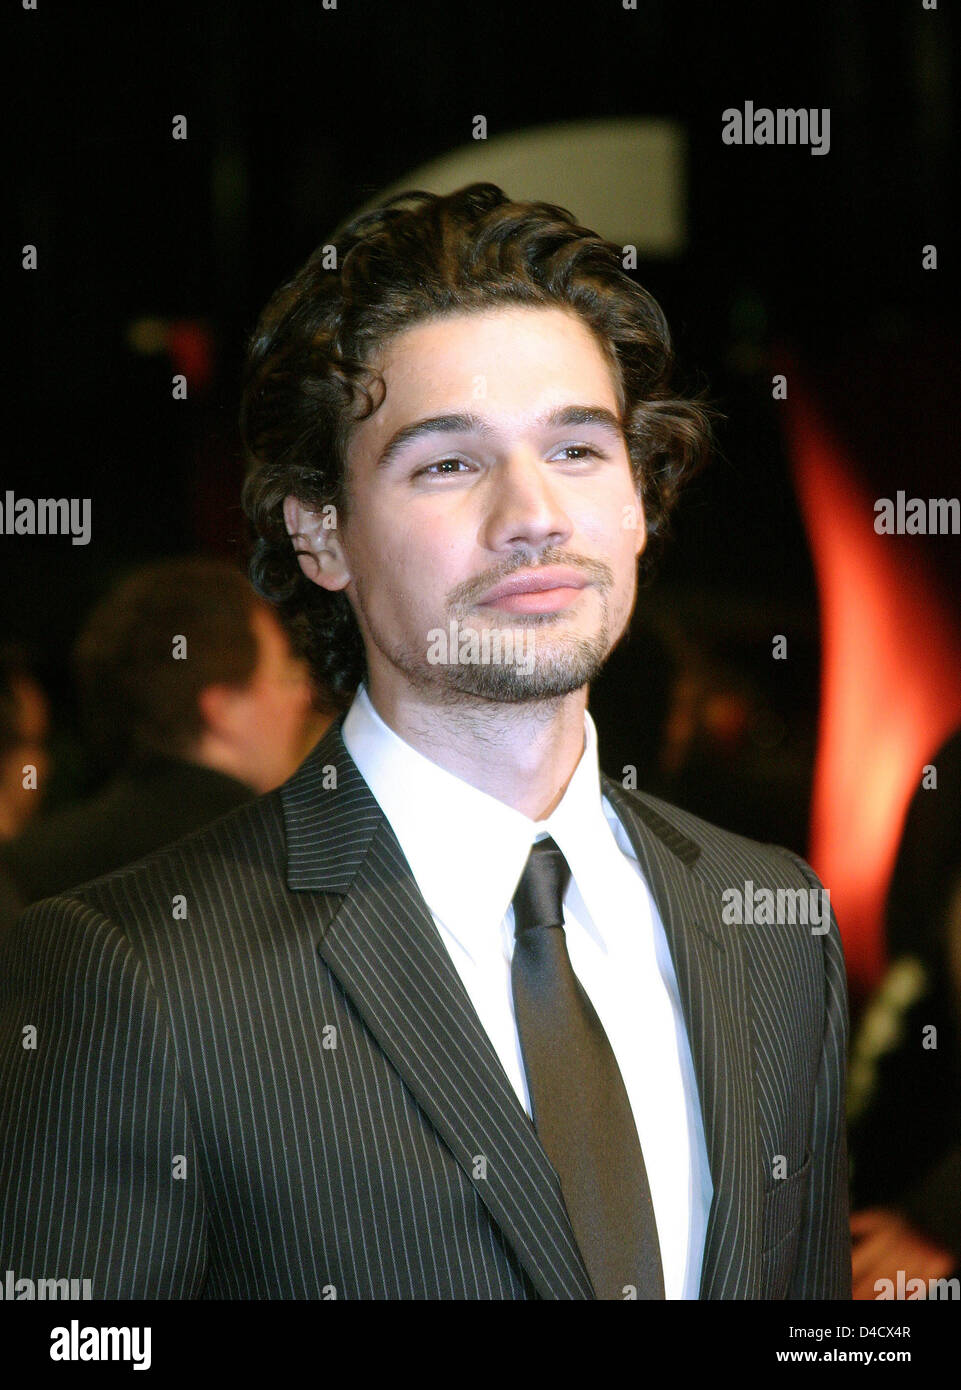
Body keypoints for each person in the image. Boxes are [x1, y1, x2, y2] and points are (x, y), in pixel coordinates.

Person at [0, 184, 850, 1299]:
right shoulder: (135, 972)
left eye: (579, 449)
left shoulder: (775, 925)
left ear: (641, 498)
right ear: (321, 533)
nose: (532, 512)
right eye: (449, 463)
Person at [0, 558, 315, 917]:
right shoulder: (300, 861)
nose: (303, 697)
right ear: (223, 708)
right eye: (286, 675)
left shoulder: (23, 869)